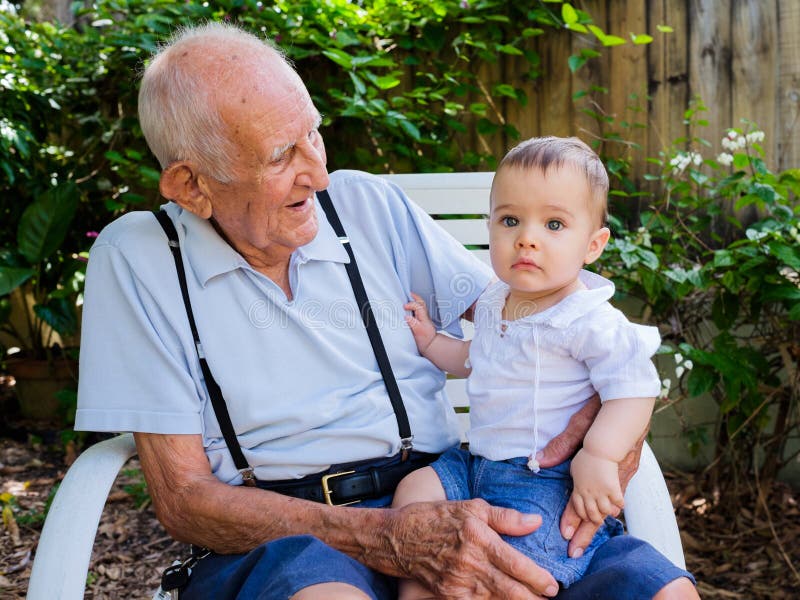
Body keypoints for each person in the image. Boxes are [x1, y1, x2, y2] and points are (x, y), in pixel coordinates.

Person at [74, 22, 682, 600]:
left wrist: (611, 423)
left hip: (458, 487)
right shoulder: (142, 259)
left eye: (313, 132)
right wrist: (390, 539)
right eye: (282, 154)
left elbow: (533, 312)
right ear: (192, 186)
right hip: (290, 537)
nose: (318, 171)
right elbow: (184, 498)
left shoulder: (365, 204)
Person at [393, 136, 698, 599]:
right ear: (490, 225)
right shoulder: (497, 302)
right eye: (510, 220)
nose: (526, 237)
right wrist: (432, 341)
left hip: (542, 478)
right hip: (474, 464)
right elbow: (475, 360)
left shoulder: (589, 319)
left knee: (518, 562)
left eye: (554, 223)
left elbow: (634, 389)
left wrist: (598, 454)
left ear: (593, 245)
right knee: (414, 496)